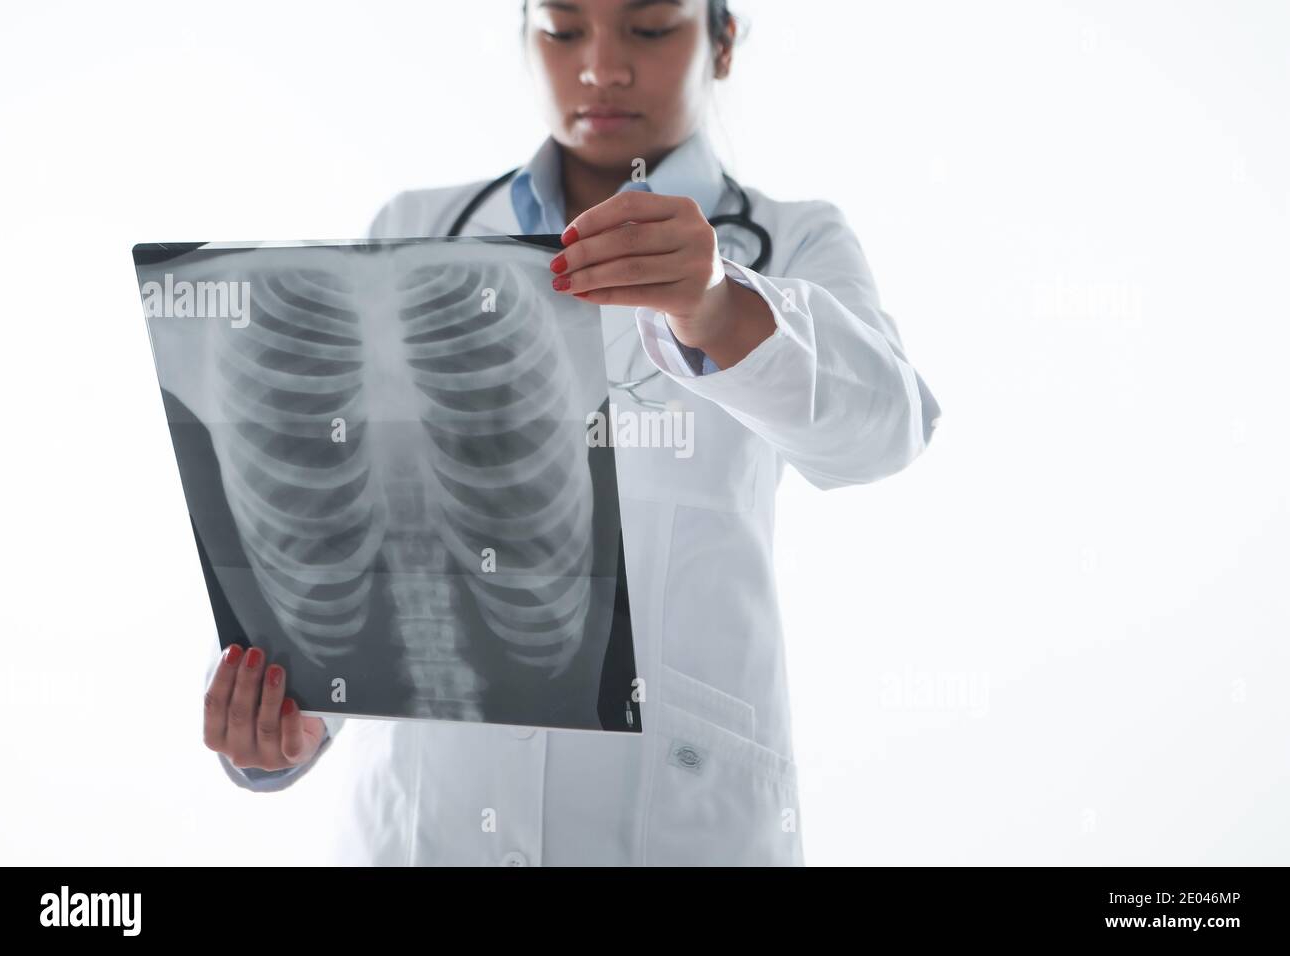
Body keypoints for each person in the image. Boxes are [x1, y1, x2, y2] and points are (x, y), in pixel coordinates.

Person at [203, 0, 941, 866]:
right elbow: (352, 551)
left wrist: (715, 303)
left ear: (724, 42)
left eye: (650, 27)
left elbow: (885, 430)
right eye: (562, 30)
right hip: (422, 823)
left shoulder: (789, 238)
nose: (601, 68)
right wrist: (289, 729)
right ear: (525, 41)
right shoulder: (417, 227)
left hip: (677, 820)